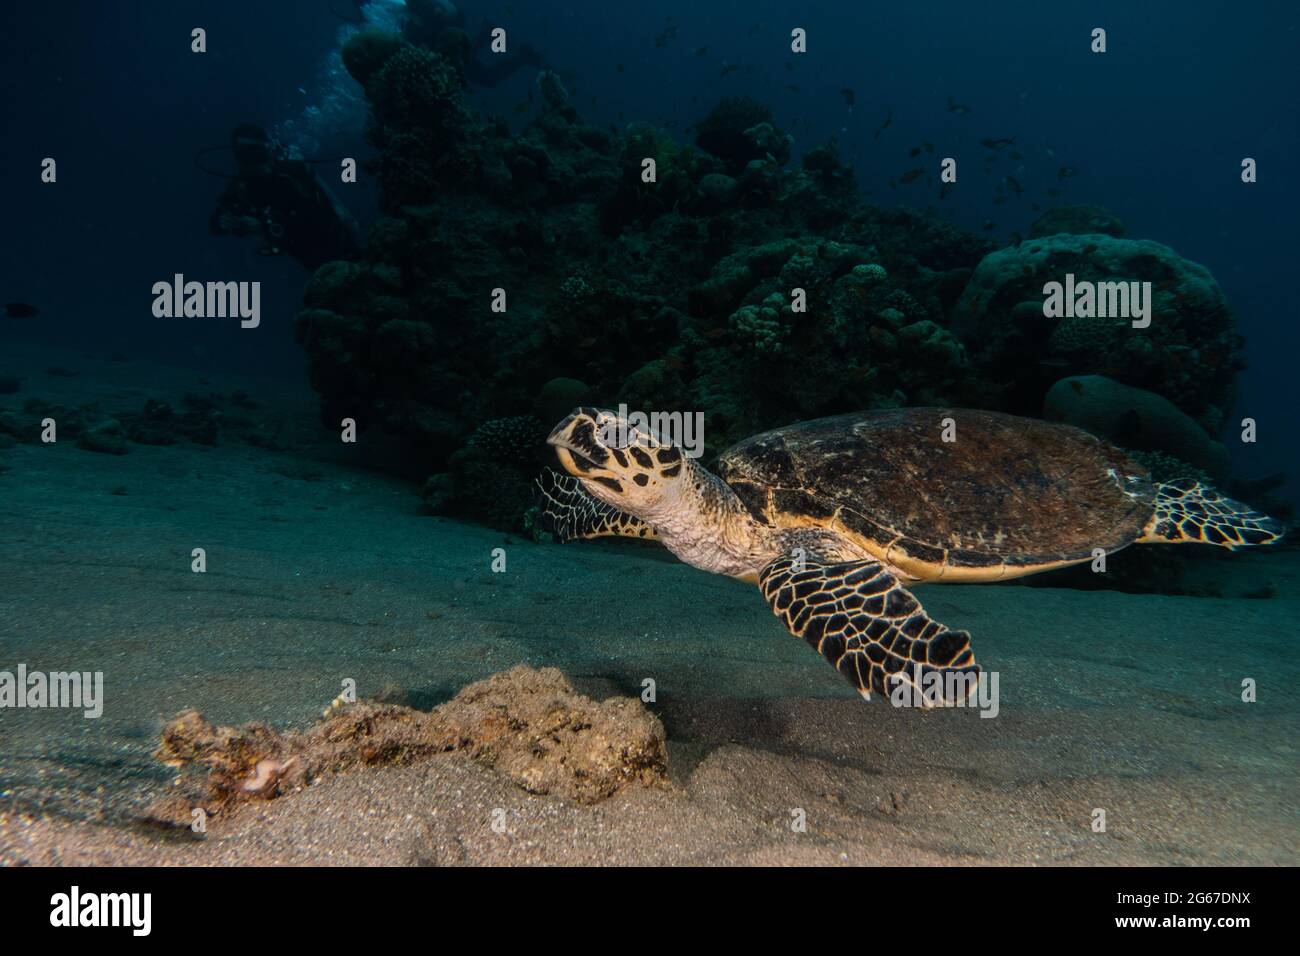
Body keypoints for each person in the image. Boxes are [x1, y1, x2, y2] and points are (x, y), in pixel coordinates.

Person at [209, 125, 361, 270]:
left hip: (336, 246)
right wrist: (228, 222)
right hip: (315, 261)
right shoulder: (242, 187)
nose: (260, 166)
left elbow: (320, 216)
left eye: (258, 154)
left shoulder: (292, 172)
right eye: (248, 157)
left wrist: (261, 228)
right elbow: (216, 223)